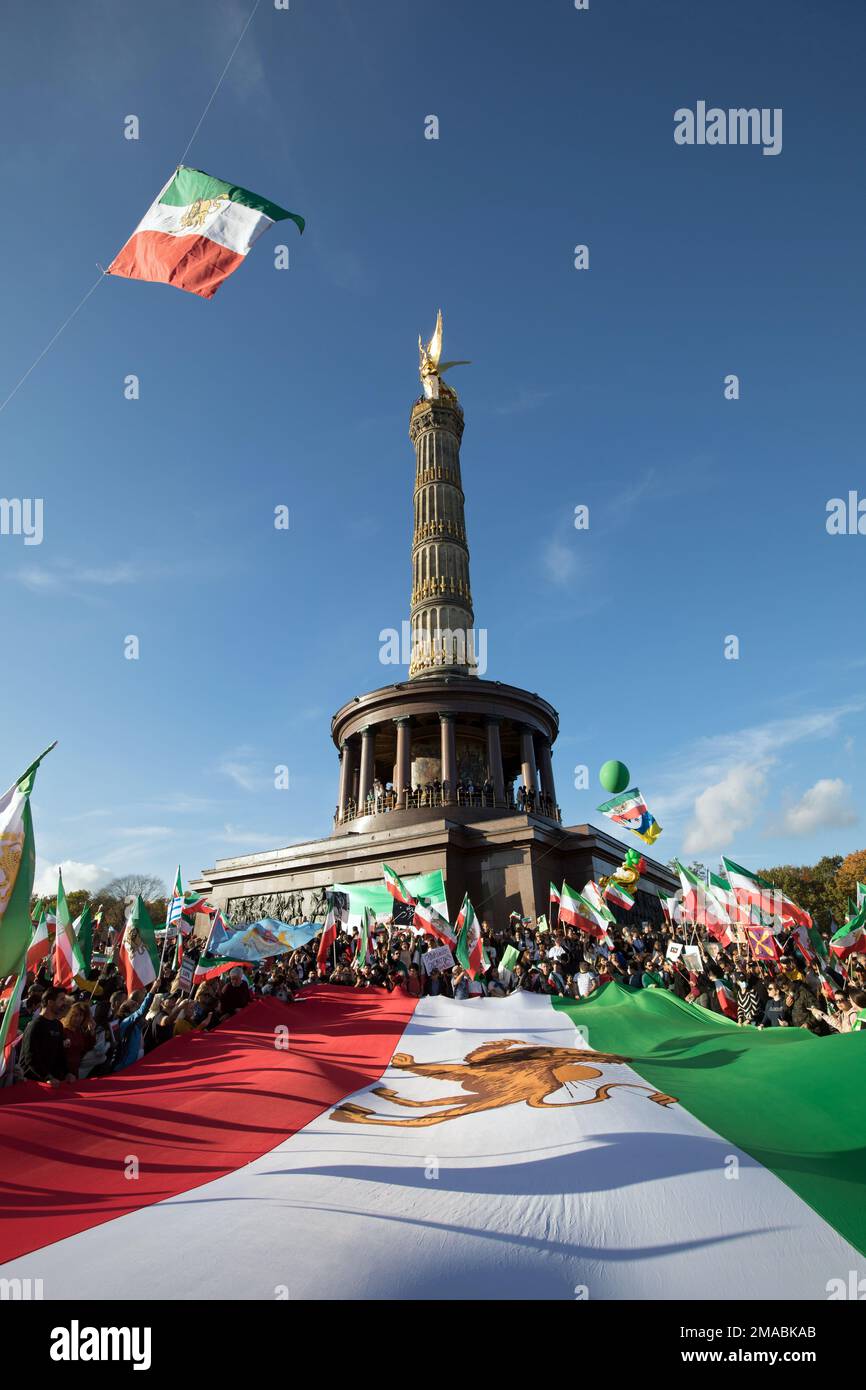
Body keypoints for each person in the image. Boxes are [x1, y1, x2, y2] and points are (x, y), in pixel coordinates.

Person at [19, 987, 72, 1085]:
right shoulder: (35, 1025)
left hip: (50, 1081)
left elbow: (60, 1052)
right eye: (61, 1000)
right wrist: (46, 1077)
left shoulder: (58, 1025)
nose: (64, 1003)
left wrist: (67, 1073)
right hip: (32, 1082)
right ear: (50, 1002)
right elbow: (30, 1057)